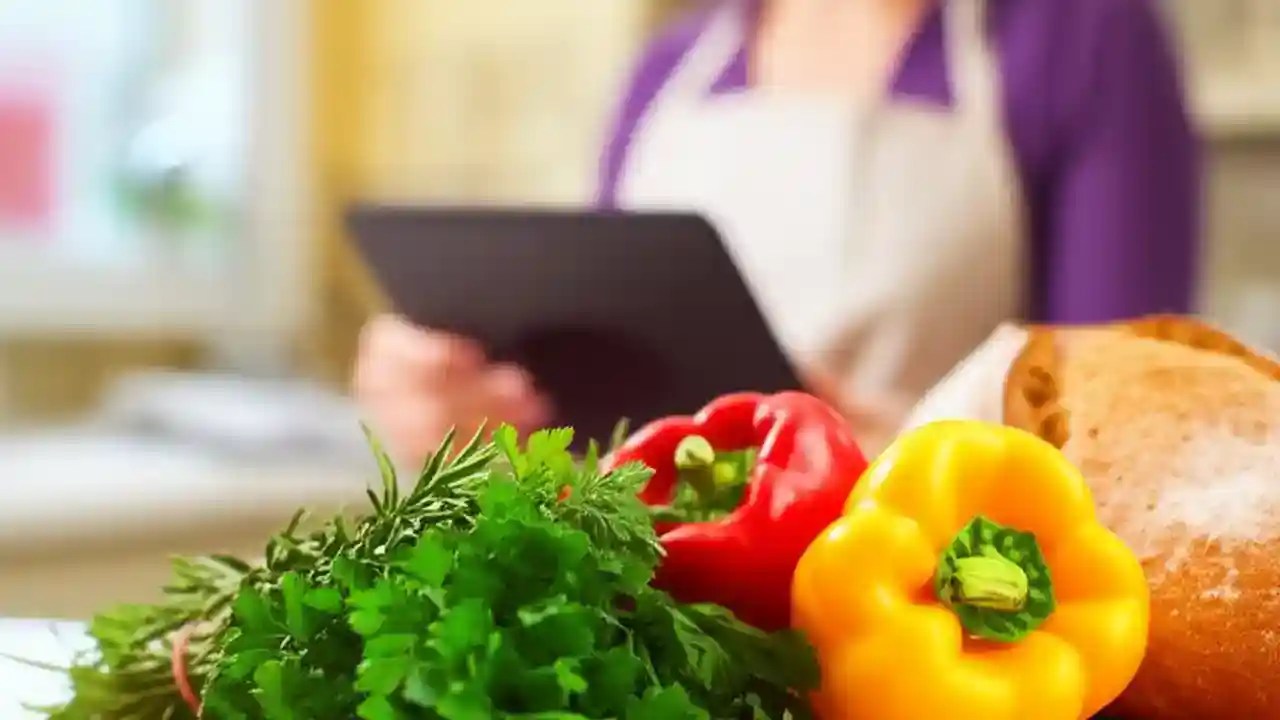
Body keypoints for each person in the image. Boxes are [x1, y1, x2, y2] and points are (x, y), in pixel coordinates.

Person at [355, 0, 1200, 463]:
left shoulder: (1084, 36)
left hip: (929, 604)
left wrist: (889, 446)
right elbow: (596, 391)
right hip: (672, 600)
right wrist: (471, 411)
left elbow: (1122, 441)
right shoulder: (666, 71)